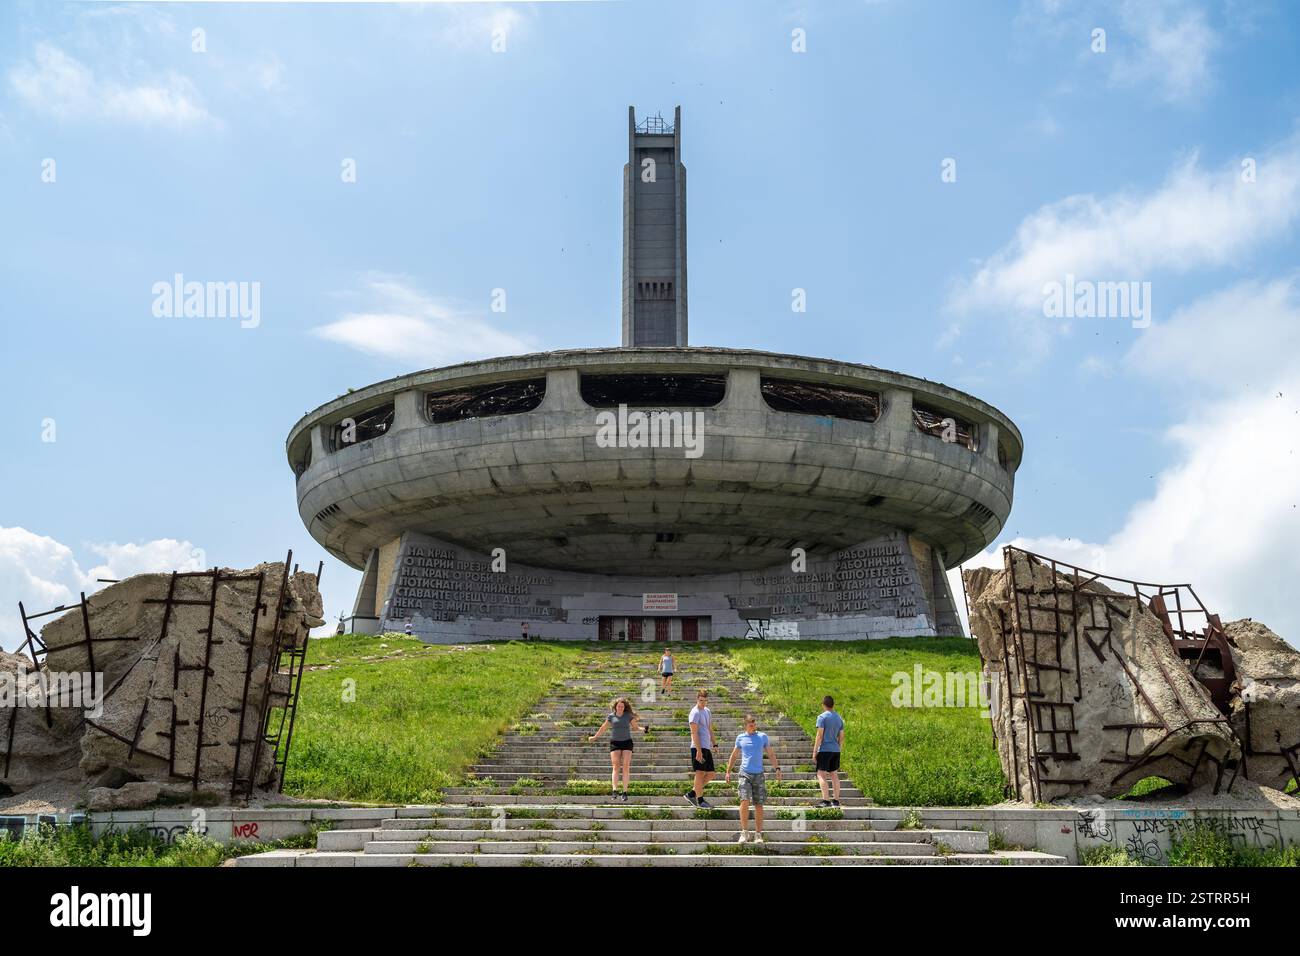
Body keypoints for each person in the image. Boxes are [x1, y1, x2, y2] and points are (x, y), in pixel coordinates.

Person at [725, 714, 781, 843]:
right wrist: (728, 771)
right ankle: (744, 833)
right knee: (744, 800)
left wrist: (777, 768)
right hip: (744, 773)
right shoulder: (740, 738)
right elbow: (734, 756)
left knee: (759, 804)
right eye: (751, 725)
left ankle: (758, 834)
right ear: (745, 726)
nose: (753, 727)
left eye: (754, 724)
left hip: (758, 774)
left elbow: (770, 753)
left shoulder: (762, 737)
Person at [589, 697, 647, 801]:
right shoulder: (611, 716)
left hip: (627, 742)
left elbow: (635, 727)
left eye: (622, 706)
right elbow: (603, 728)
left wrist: (643, 729)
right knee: (616, 766)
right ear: (615, 707)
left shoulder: (628, 716)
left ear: (624, 708)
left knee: (626, 766)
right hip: (615, 742)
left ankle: (624, 792)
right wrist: (595, 737)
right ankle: (614, 791)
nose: (620, 708)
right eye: (619, 706)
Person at [684, 689, 716, 808]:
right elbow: (694, 733)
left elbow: (709, 728)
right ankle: (700, 800)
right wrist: (698, 750)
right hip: (697, 747)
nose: (703, 703)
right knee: (700, 773)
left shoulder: (707, 711)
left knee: (711, 774)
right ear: (697, 699)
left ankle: (692, 793)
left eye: (705, 701)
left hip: (706, 746)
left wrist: (715, 743)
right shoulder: (695, 713)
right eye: (701, 700)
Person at [813, 694, 845, 808]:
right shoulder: (839, 718)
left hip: (825, 749)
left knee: (821, 774)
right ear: (833, 705)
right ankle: (836, 801)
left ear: (823, 705)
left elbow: (819, 736)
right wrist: (838, 749)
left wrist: (815, 751)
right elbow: (841, 737)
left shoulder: (822, 717)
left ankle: (825, 801)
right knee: (834, 775)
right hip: (835, 750)